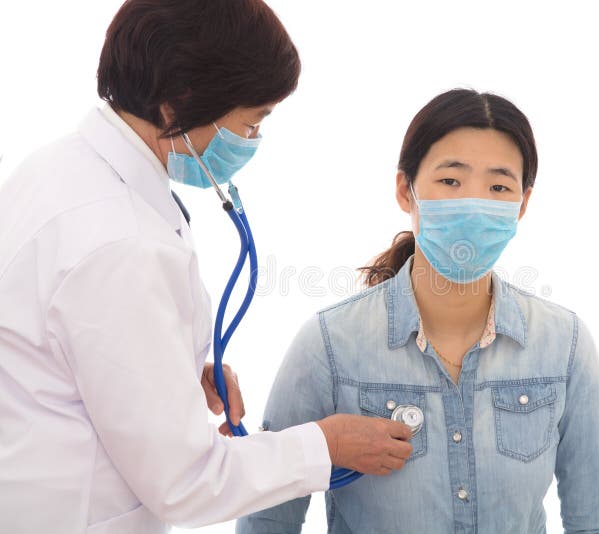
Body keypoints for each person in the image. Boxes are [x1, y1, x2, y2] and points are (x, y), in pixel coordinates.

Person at [0, 1, 412, 532]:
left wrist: (165, 369)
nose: (254, 139)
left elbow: (62, 351)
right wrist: (324, 445)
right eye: (253, 119)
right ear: (180, 103)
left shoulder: (57, 169)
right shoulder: (120, 243)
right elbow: (187, 484)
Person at [237, 89, 599, 533]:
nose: (473, 201)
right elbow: (267, 519)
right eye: (450, 181)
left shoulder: (565, 343)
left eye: (498, 186)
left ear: (522, 204)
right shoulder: (328, 344)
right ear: (406, 190)